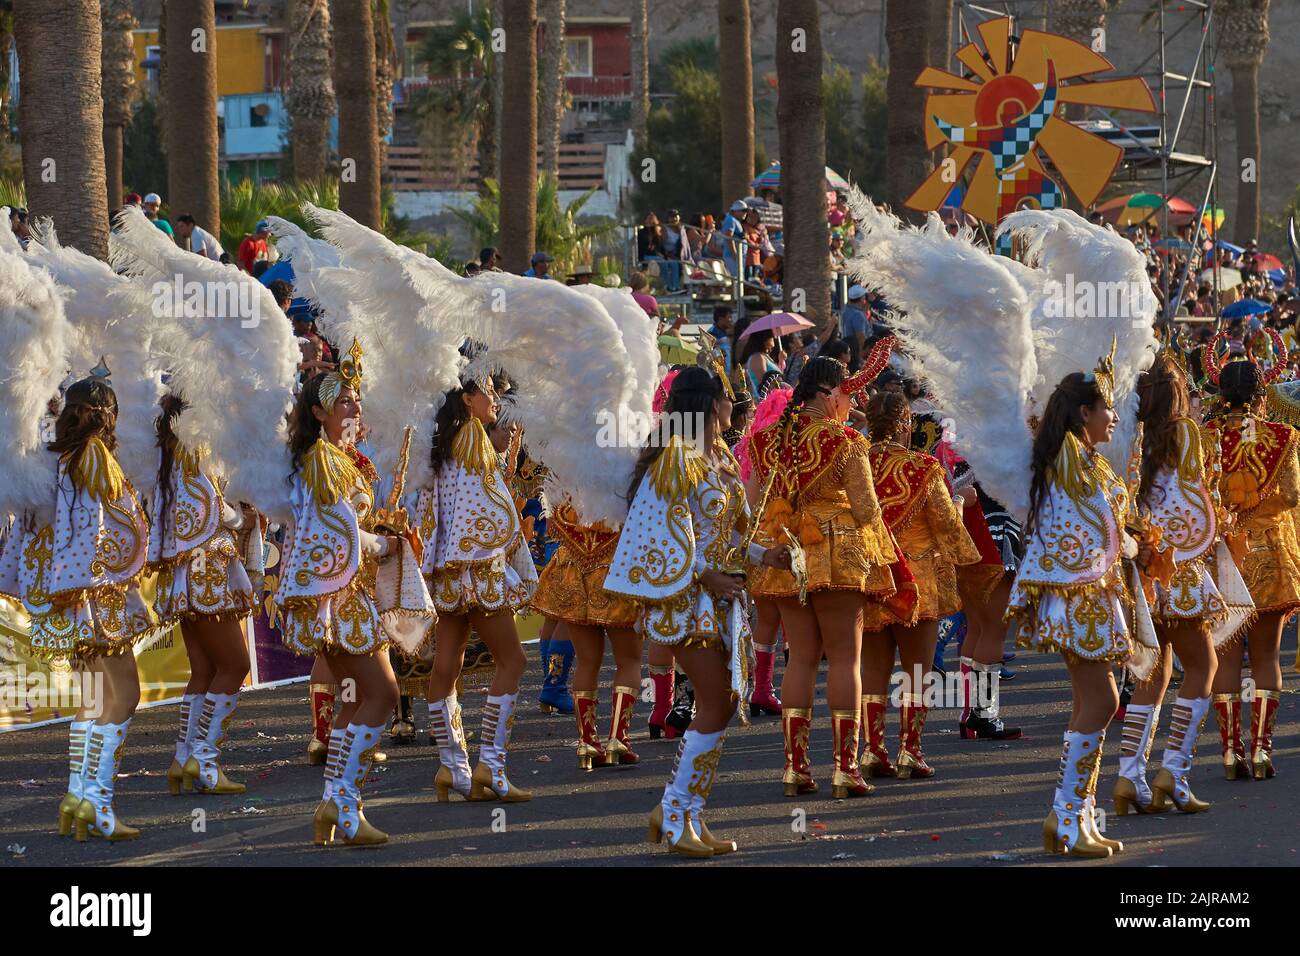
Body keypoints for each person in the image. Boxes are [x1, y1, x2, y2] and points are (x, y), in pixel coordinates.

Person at [605, 365, 790, 856]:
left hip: (722, 600)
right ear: (712, 405)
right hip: (686, 601)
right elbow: (659, 529)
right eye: (731, 397)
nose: (738, 406)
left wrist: (762, 555)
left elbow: (730, 531)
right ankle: (673, 811)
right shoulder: (676, 459)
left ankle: (685, 811)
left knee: (725, 701)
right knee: (716, 699)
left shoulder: (719, 456)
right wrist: (707, 574)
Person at [277, 351, 430, 845]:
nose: (353, 408)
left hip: (337, 592)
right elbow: (337, 527)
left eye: (356, 401)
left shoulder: (332, 457)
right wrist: (386, 544)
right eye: (343, 402)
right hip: (338, 598)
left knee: (353, 697)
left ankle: (334, 805)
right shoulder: (323, 460)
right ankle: (344, 804)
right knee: (383, 695)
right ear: (319, 412)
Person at [1008, 353, 1154, 858]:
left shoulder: (1083, 458)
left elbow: (1108, 518)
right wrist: (1130, 544)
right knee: (1103, 702)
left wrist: (1138, 538)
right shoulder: (1069, 457)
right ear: (1082, 415)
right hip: (1080, 595)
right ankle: (1066, 814)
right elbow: (1085, 530)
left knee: (1093, 702)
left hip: (1090, 594)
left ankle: (1074, 815)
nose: (1113, 416)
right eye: (1106, 407)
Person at [747, 343, 904, 800]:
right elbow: (867, 508)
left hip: (783, 549)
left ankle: (796, 770)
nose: (853, 404)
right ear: (828, 392)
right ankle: (844, 769)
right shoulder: (846, 441)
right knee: (845, 659)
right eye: (848, 394)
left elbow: (754, 503)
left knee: (800, 658)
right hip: (835, 550)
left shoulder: (763, 440)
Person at [15, 376, 158, 841]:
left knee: (93, 701)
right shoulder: (93, 458)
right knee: (125, 696)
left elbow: (29, 535)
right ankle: (97, 804)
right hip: (93, 598)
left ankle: (78, 797)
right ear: (107, 415)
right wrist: (87, 588)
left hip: (69, 600)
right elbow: (96, 530)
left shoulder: (49, 463)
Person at [1114, 351, 1252, 816]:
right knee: (1204, 668)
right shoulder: (1187, 435)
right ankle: (1175, 769)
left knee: (1156, 672)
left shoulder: (1131, 441)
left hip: (1146, 572)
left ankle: (1129, 777)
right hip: (1182, 573)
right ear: (1178, 395)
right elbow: (1201, 501)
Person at [415, 373, 538, 802]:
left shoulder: (448, 441)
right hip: (478, 570)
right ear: (468, 400)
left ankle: (453, 768)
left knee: (447, 664)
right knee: (514, 660)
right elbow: (487, 511)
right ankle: (491, 765)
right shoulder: (472, 439)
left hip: (449, 571)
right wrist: (512, 558)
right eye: (489, 390)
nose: (496, 397)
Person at [859, 391, 981, 778]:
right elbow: (949, 528)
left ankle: (872, 749)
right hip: (918, 582)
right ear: (905, 425)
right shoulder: (923, 468)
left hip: (873, 576)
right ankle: (910, 750)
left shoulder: (857, 463)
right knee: (916, 670)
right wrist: (961, 500)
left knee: (873, 668)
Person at [151, 394, 257, 796]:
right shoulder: (195, 456)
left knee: (205, 670)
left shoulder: (170, 460)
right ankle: (205, 759)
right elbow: (209, 509)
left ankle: (183, 758)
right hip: (208, 575)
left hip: (187, 579)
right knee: (235, 665)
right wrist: (241, 517)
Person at [1203, 347, 1298, 782]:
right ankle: (1261, 752)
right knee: (1266, 654)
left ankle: (1228, 753)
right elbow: (1294, 497)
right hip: (1269, 556)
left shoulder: (1204, 437)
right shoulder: (1282, 435)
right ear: (1262, 395)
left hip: (1220, 555)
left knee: (1224, 658)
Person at [738, 328, 784, 399]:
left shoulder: (765, 356)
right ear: (764, 339)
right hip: (767, 403)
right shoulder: (757, 358)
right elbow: (765, 385)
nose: (773, 344)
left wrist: (781, 360)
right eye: (772, 339)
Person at [659, 209, 691, 292]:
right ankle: (673, 287)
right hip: (668, 254)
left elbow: (684, 243)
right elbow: (661, 243)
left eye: (676, 217)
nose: (674, 219)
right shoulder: (665, 228)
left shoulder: (681, 229)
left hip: (679, 254)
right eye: (671, 217)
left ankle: (686, 287)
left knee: (688, 264)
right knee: (674, 264)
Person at [840, 286, 871, 370]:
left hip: (849, 352)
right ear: (862, 298)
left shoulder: (846, 310)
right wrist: (860, 358)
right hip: (857, 354)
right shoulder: (858, 314)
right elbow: (861, 337)